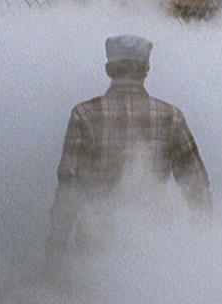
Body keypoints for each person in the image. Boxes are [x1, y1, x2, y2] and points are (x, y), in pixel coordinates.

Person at [46, 34, 211, 258]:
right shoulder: (171, 116)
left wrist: (55, 251)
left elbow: (69, 186)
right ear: (146, 69)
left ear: (108, 69)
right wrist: (206, 243)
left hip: (96, 239)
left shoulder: (84, 115)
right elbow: (196, 185)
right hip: (153, 237)